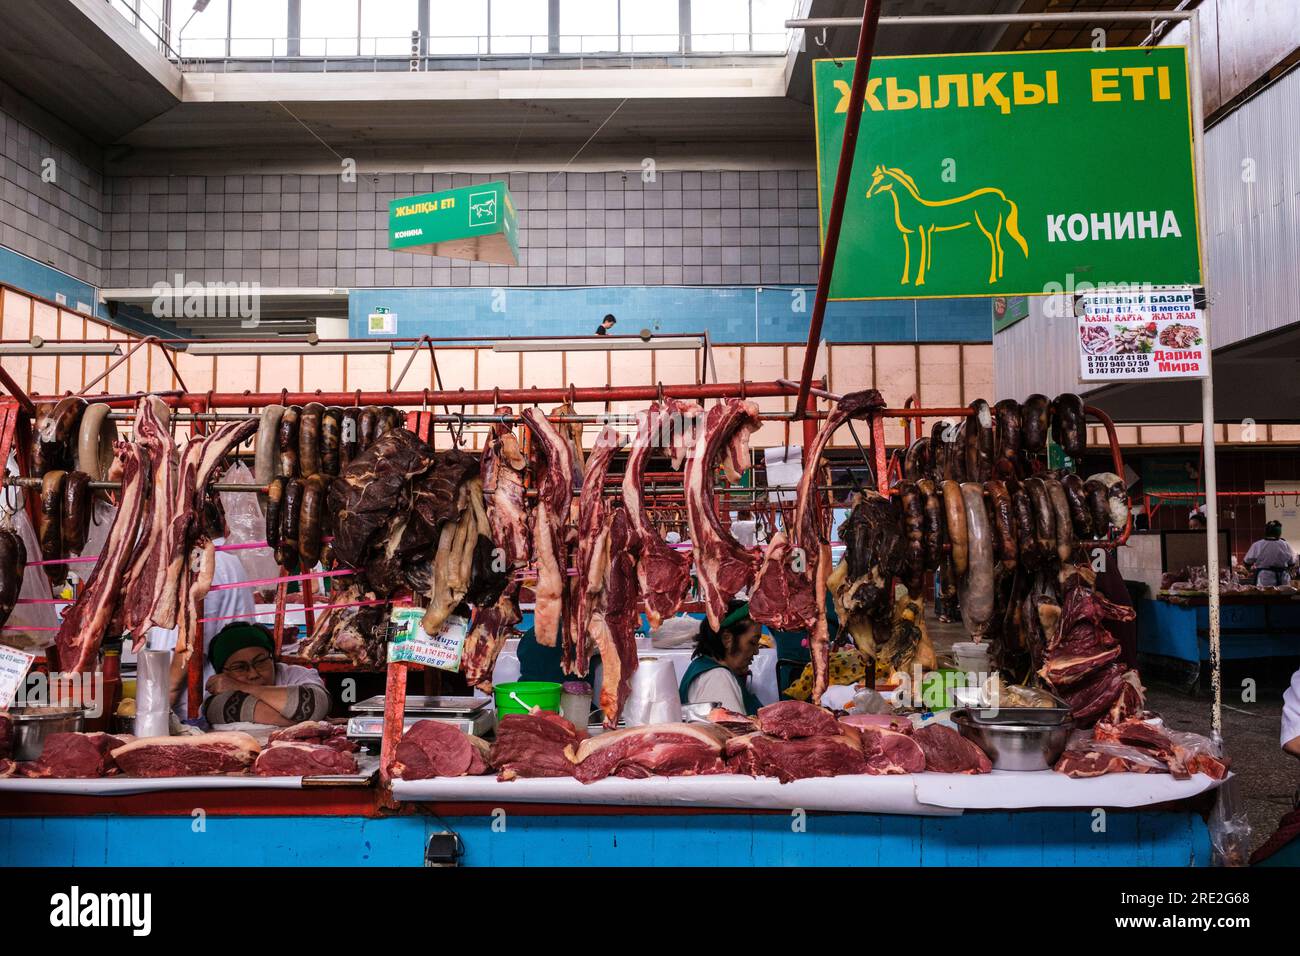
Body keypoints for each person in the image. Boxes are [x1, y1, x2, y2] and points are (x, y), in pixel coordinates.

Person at [150, 500, 255, 713]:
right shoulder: (228, 560)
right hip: (213, 695)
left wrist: (164, 701)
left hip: (193, 702)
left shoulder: (207, 563)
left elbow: (190, 641)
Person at [201, 622, 329, 727]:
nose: (253, 674)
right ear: (222, 672)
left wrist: (242, 687)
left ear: (272, 658)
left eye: (260, 662)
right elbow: (313, 713)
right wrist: (306, 720)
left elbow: (317, 705)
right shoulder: (216, 691)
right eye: (240, 667)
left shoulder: (297, 675)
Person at [678, 599, 762, 715]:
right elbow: (733, 731)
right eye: (752, 642)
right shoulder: (718, 678)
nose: (756, 651)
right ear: (727, 639)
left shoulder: (702, 665)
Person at [1244, 521, 1297, 587]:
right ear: (1279, 533)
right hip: (1283, 580)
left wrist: (1250, 570)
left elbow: (1247, 562)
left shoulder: (1257, 545)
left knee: (1267, 596)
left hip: (1265, 580)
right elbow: (1292, 563)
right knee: (1284, 597)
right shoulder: (1286, 545)